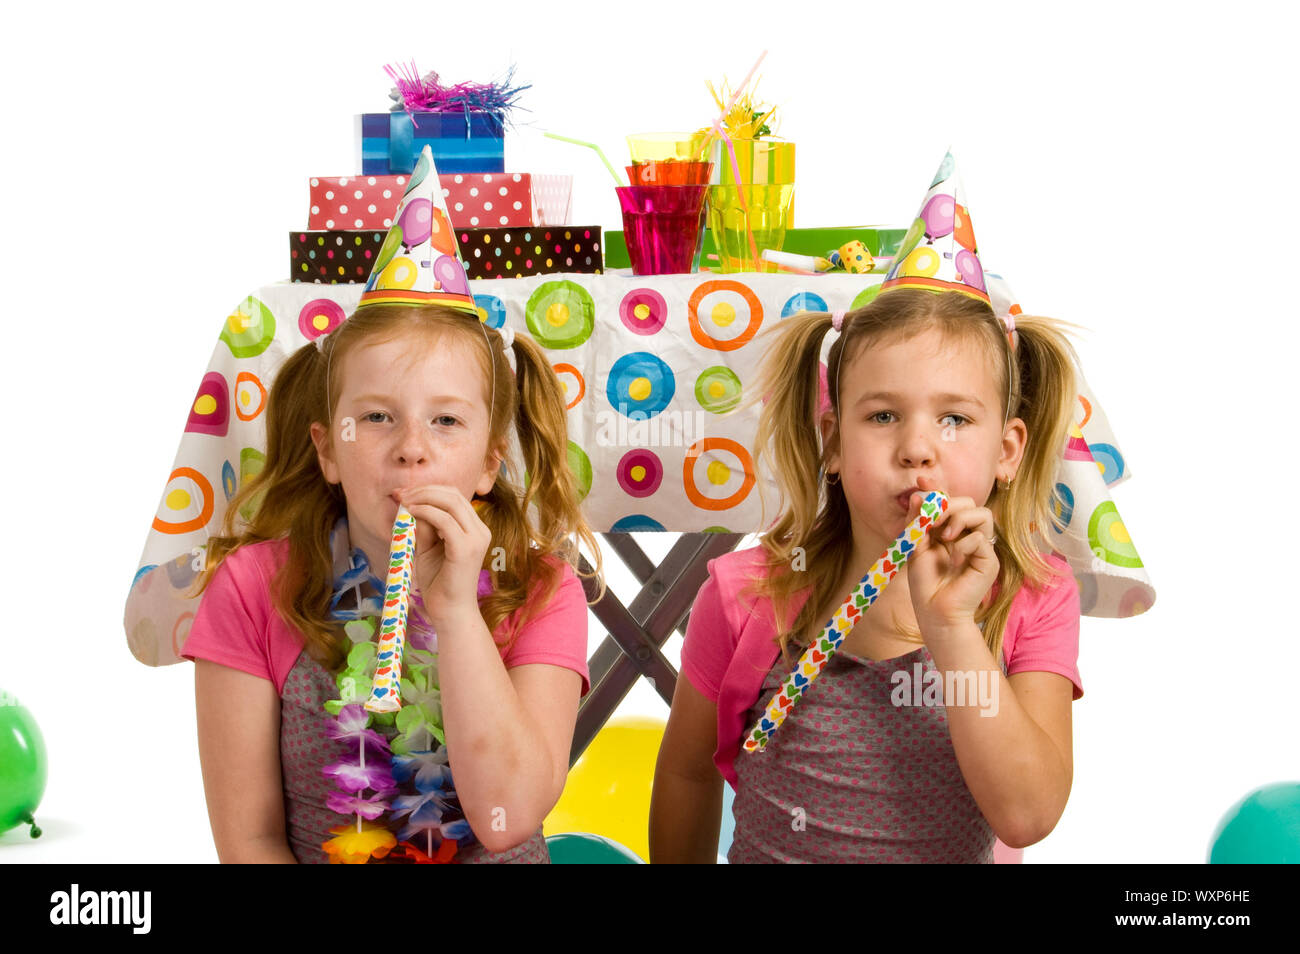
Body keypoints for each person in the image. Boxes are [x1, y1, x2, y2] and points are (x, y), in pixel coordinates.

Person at [651, 159, 1086, 864]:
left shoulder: (1034, 600)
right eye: (883, 415)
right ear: (832, 440)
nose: (917, 449)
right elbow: (686, 772)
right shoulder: (747, 596)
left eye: (954, 420)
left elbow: (1028, 812)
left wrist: (951, 626)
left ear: (1006, 451)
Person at [183, 146, 601, 863]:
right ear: (327, 450)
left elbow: (506, 819)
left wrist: (457, 614)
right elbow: (248, 841)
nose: (412, 449)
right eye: (377, 418)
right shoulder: (252, 591)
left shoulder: (544, 591)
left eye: (445, 422)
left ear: (487, 464)